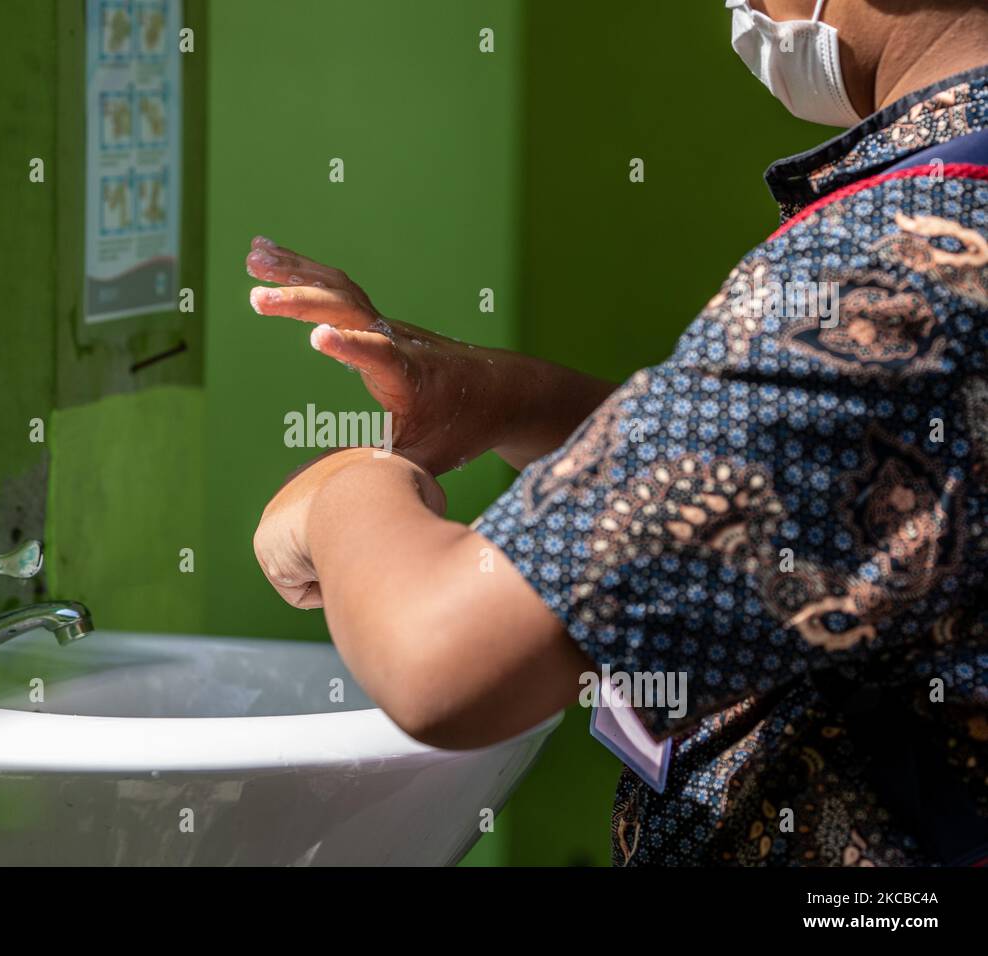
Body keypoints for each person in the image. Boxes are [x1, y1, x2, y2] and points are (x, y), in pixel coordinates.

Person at [247, 0, 988, 866]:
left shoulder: (887, 268)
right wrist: (512, 400)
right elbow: (823, 482)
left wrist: (343, 495)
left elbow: (441, 664)